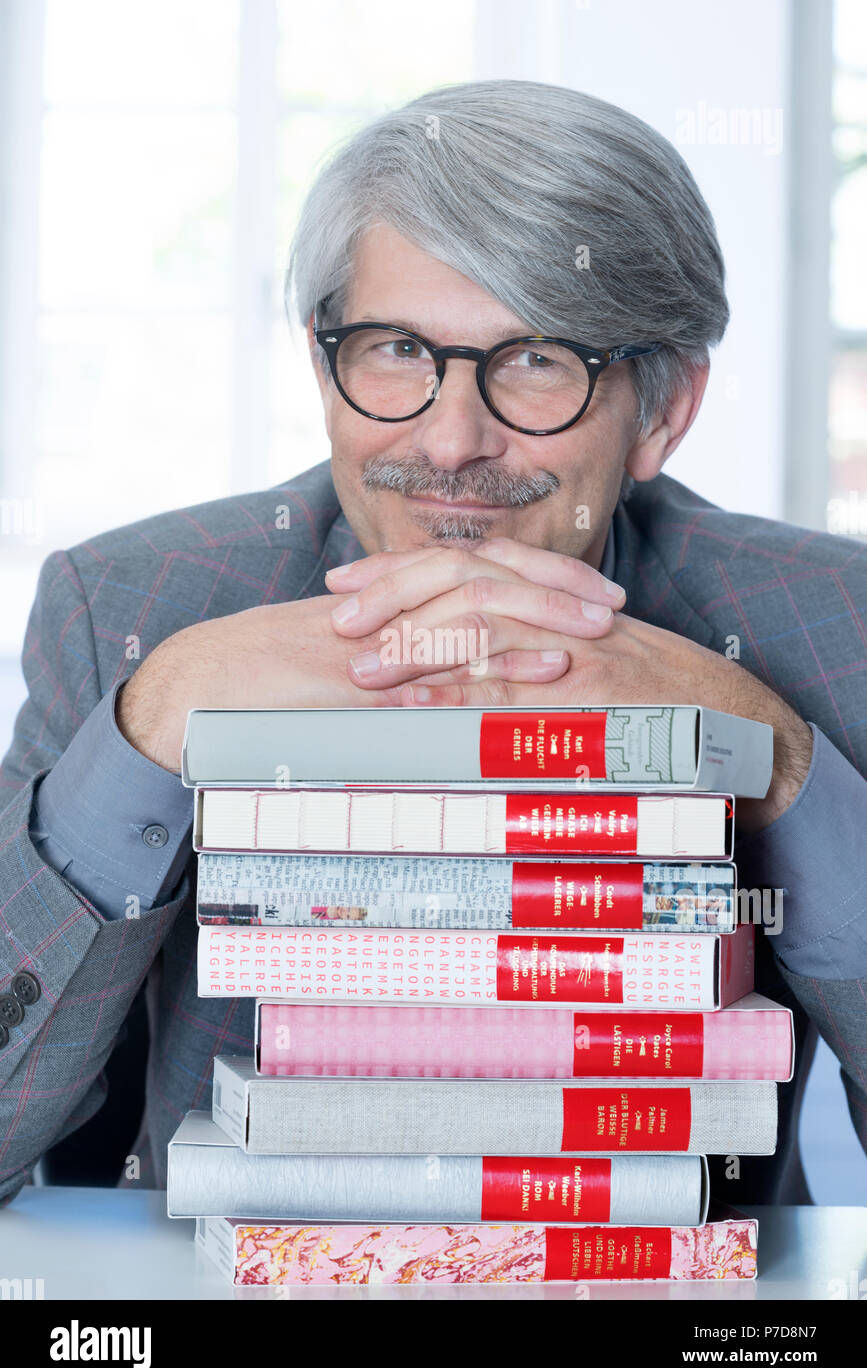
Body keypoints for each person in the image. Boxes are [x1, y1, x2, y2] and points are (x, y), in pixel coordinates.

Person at [0, 80, 864, 1205]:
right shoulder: (123, 604)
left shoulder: (829, 622)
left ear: (662, 411)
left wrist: (777, 753)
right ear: (323, 370)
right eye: (398, 349)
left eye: (542, 360)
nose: (454, 442)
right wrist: (149, 720)